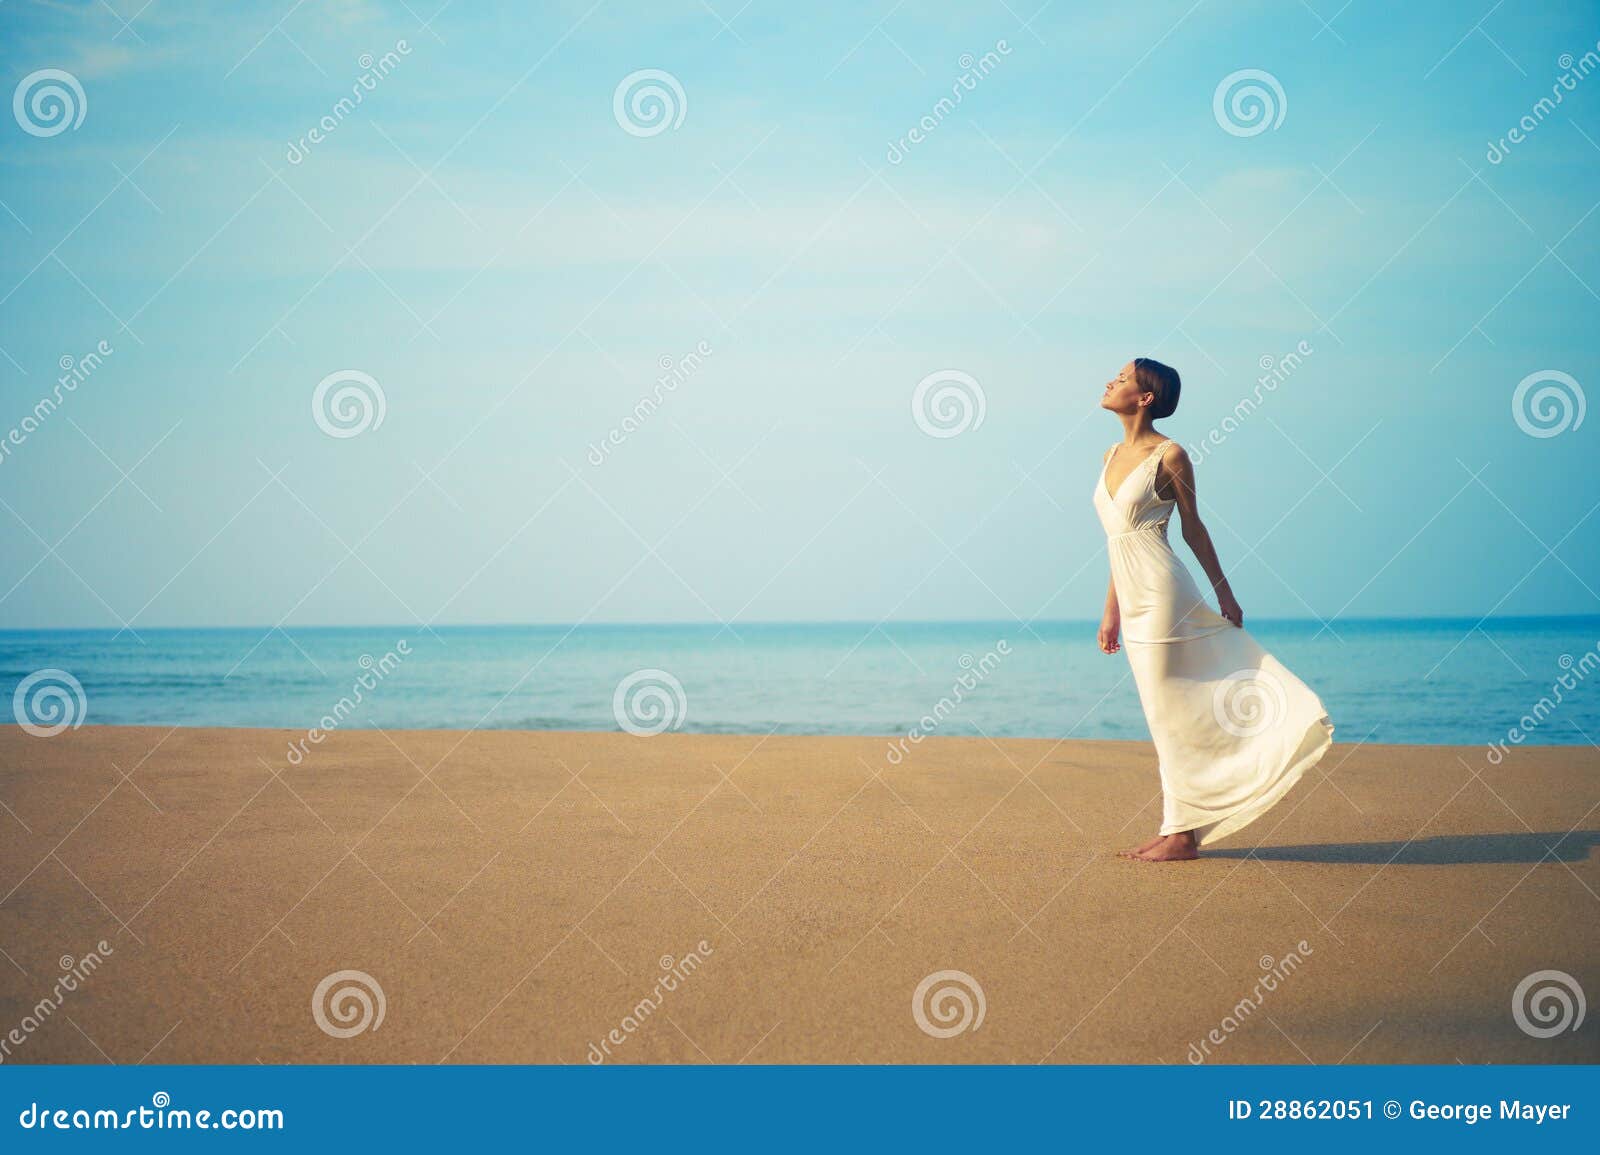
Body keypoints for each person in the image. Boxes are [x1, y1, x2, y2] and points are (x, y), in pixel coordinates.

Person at [1094, 358, 1333, 862]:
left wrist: (1224, 592)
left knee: (1170, 712)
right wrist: (1110, 610)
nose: (1111, 381)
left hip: (1162, 595)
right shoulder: (1110, 454)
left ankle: (1182, 835)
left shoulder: (1171, 455)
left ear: (1145, 398)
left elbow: (1193, 528)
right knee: (1162, 712)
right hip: (1131, 600)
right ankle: (1177, 827)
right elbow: (1118, 540)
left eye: (1123, 378)